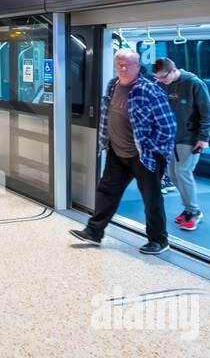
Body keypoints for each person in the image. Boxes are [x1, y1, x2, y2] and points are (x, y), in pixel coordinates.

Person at [71, 47, 176, 255]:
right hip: (117, 151)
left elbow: (169, 126)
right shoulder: (112, 85)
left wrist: (152, 149)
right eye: (119, 64)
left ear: (138, 66)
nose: (124, 67)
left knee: (151, 198)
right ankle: (94, 232)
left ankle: (159, 240)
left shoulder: (149, 90)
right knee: (106, 191)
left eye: (128, 64)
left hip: (144, 155)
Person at [152, 57, 210, 231]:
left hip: (191, 138)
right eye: (157, 78)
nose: (161, 81)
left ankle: (194, 212)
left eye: (163, 77)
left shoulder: (194, 84)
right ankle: (188, 208)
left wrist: (204, 138)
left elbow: (208, 114)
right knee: (172, 174)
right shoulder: (161, 84)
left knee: (183, 172)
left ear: (173, 71)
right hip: (170, 137)